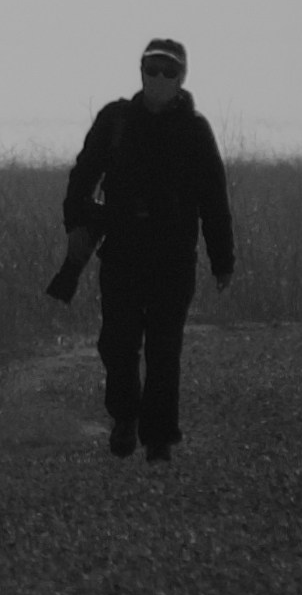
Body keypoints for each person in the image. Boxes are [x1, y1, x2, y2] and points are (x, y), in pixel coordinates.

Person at [62, 37, 236, 461]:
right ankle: (125, 417)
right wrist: (75, 226)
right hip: (121, 249)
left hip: (174, 255)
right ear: (140, 71)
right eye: (151, 68)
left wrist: (222, 259)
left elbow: (214, 197)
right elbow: (83, 175)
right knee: (116, 344)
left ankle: (159, 440)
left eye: (168, 70)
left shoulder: (195, 130)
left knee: (164, 349)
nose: (159, 77)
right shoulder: (115, 120)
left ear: (182, 77)